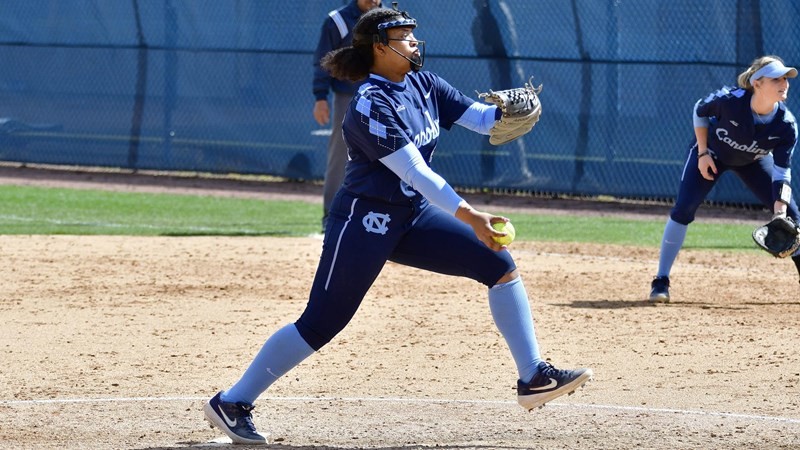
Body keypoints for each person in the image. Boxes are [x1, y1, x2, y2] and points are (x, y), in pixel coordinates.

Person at [204, 6, 592, 444]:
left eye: (412, 35)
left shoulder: (424, 83)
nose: (413, 43)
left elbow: (481, 120)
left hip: (409, 215)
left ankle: (532, 376)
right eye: (403, 37)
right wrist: (471, 215)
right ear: (378, 48)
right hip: (364, 219)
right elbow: (416, 174)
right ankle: (233, 401)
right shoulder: (370, 104)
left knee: (498, 264)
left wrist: (506, 115)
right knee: (321, 322)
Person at [649, 55, 800, 302]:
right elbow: (700, 109)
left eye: (786, 78)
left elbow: (782, 172)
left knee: (793, 219)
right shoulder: (730, 100)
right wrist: (702, 151)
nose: (784, 83)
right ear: (758, 83)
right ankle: (660, 281)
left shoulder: (786, 125)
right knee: (684, 208)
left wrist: (779, 213)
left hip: (753, 161)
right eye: (776, 78)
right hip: (712, 154)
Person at [313, 0, 383, 230]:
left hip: (384, 98)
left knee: (389, 155)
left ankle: (380, 217)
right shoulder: (338, 20)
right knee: (340, 157)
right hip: (348, 97)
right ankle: (331, 216)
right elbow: (323, 61)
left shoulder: (388, 18)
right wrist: (320, 97)